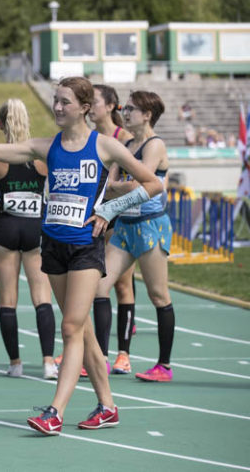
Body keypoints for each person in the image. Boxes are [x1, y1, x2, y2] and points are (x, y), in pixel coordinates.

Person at [0, 76, 163, 436]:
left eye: (65, 101)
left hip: (85, 247)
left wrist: (110, 210)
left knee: (70, 328)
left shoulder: (105, 147)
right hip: (53, 245)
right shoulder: (47, 148)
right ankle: (108, 406)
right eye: (56, 100)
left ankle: (55, 411)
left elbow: (153, 184)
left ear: (84, 107)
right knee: (83, 331)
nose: (58, 107)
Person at [0, 98, 57, 380]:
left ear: (1, 124)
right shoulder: (41, 156)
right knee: (42, 297)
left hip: (4, 227)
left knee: (8, 298)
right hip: (35, 229)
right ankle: (48, 362)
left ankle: (15, 364)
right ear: (26, 121)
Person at [96, 90, 175, 383]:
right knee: (99, 288)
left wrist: (120, 187)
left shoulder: (155, 145)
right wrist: (120, 188)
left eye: (131, 109)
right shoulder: (125, 144)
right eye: (124, 108)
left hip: (150, 226)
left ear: (147, 115)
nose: (125, 113)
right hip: (126, 228)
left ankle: (164, 365)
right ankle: (99, 358)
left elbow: (144, 183)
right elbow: (111, 184)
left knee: (158, 295)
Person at [89, 84, 137, 375]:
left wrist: (111, 195)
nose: (89, 106)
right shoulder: (87, 137)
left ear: (109, 106)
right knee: (92, 285)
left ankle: (124, 353)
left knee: (122, 285)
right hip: (92, 215)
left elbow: (135, 183)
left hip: (119, 218)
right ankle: (96, 354)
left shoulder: (125, 139)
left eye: (93, 101)